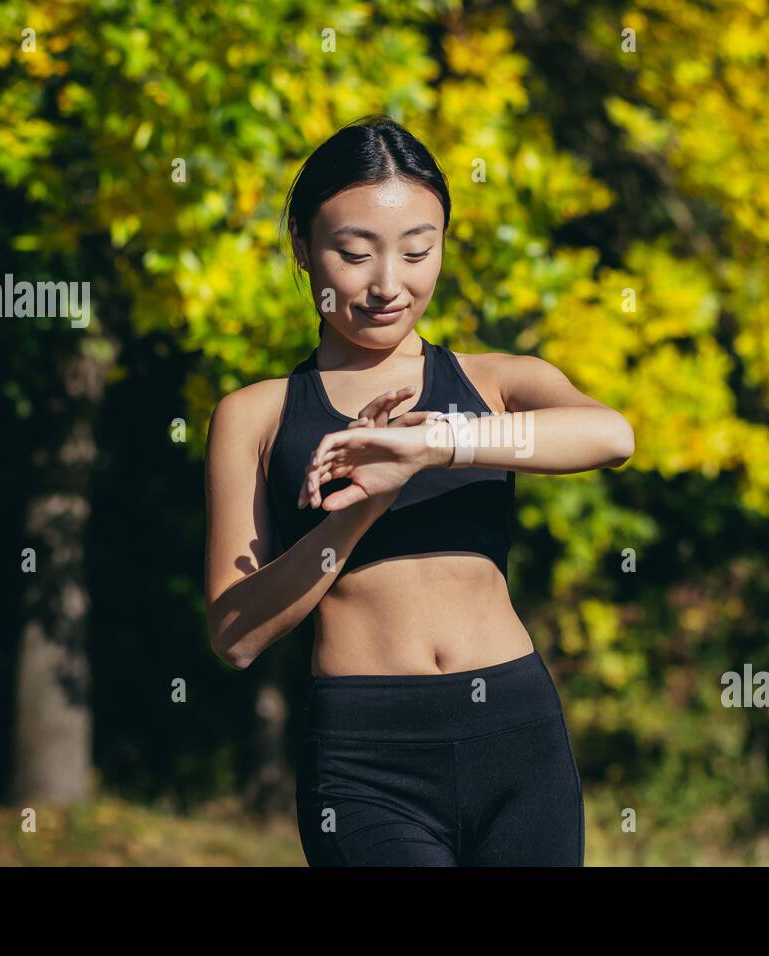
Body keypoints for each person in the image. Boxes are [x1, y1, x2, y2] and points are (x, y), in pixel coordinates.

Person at [203, 115, 634, 866]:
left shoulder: (495, 382)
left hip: (517, 733)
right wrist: (362, 508)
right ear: (303, 248)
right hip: (366, 759)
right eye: (354, 253)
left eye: (417, 251)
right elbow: (236, 636)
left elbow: (612, 437)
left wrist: (435, 443)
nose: (388, 285)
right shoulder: (256, 415)